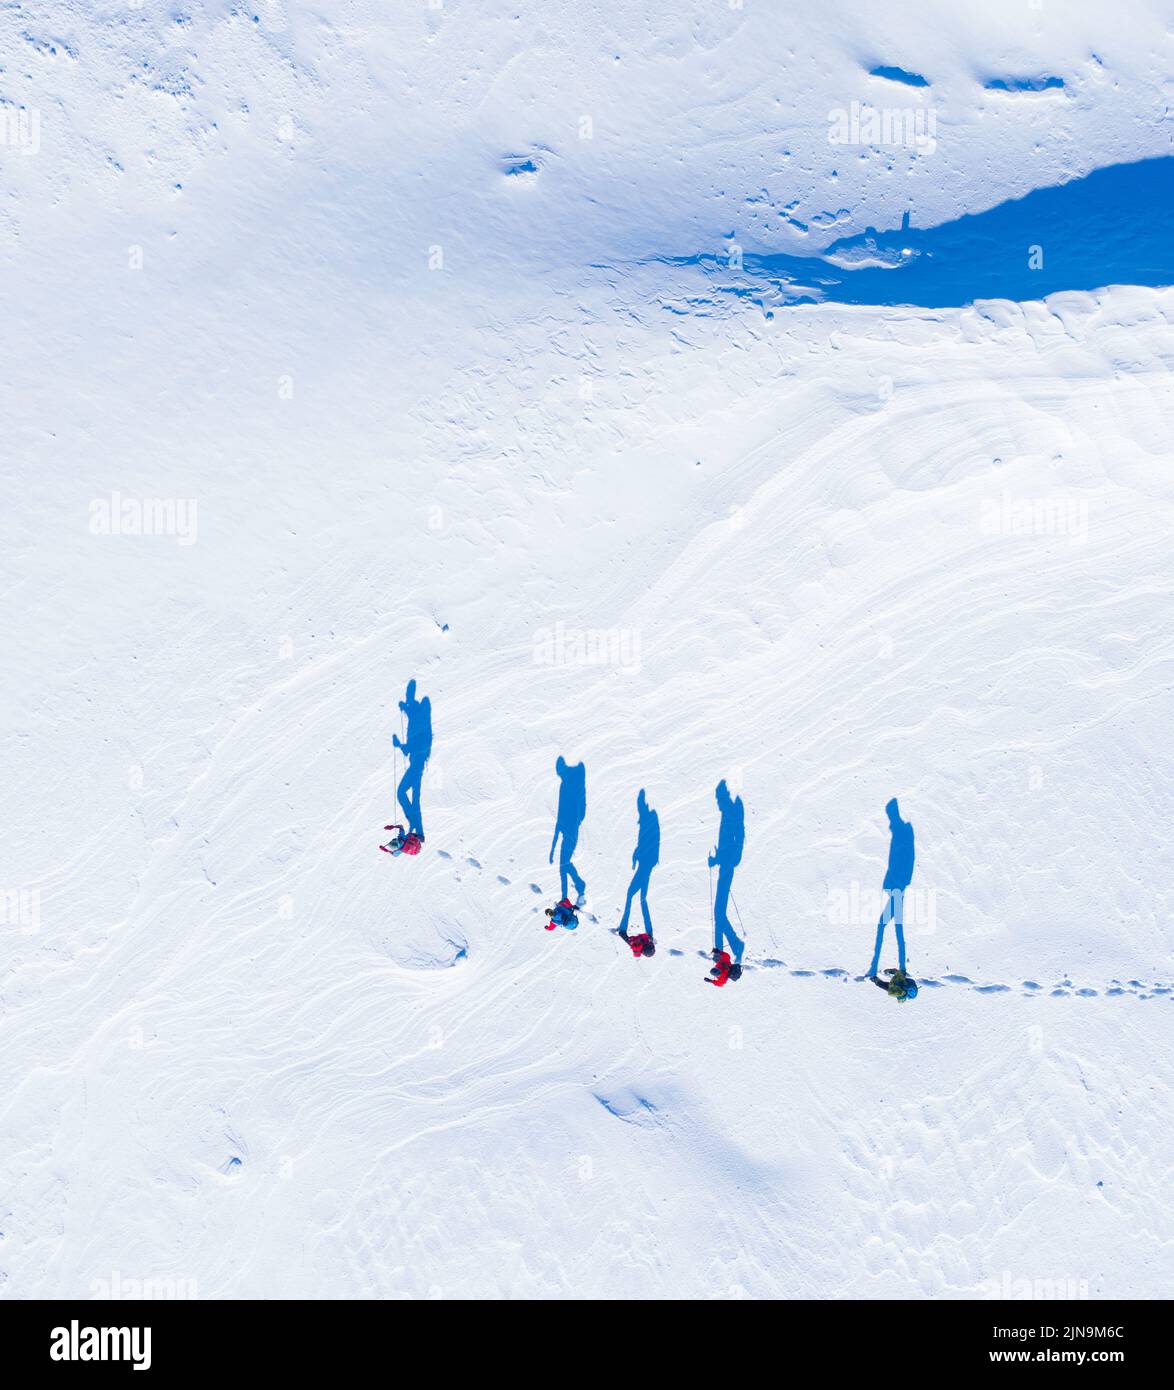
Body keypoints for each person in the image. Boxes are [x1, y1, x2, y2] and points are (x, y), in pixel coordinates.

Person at [866, 798, 915, 978]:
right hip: (896, 886)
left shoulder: (904, 832)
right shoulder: (901, 831)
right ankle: (898, 967)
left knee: (888, 926)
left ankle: (875, 968)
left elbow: (907, 860)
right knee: (895, 927)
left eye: (890, 814)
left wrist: (899, 882)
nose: (890, 818)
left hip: (897, 887)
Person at [709, 779, 745, 967]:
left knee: (718, 911)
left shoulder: (731, 813)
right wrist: (717, 859)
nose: (718, 801)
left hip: (727, 867)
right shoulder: (728, 813)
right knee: (718, 911)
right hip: (725, 866)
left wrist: (726, 860)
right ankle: (735, 945)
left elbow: (737, 839)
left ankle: (733, 946)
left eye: (718, 797)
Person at [618, 789, 659, 946]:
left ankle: (645, 933)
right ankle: (643, 933)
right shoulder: (651, 820)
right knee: (640, 898)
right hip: (646, 864)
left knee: (638, 897)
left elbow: (645, 843)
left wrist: (638, 856)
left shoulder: (650, 821)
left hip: (646, 864)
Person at [393, 679, 432, 840]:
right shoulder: (424, 726)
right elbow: (413, 715)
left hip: (416, 767)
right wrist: (405, 708)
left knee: (402, 792)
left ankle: (415, 826)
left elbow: (413, 747)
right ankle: (418, 831)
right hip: (417, 765)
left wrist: (400, 745)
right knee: (413, 797)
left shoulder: (424, 732)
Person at [549, 756, 587, 905]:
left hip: (570, 831)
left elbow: (566, 812)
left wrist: (553, 846)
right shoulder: (567, 787)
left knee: (564, 863)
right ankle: (575, 888)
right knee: (564, 863)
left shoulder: (566, 787)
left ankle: (572, 891)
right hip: (569, 829)